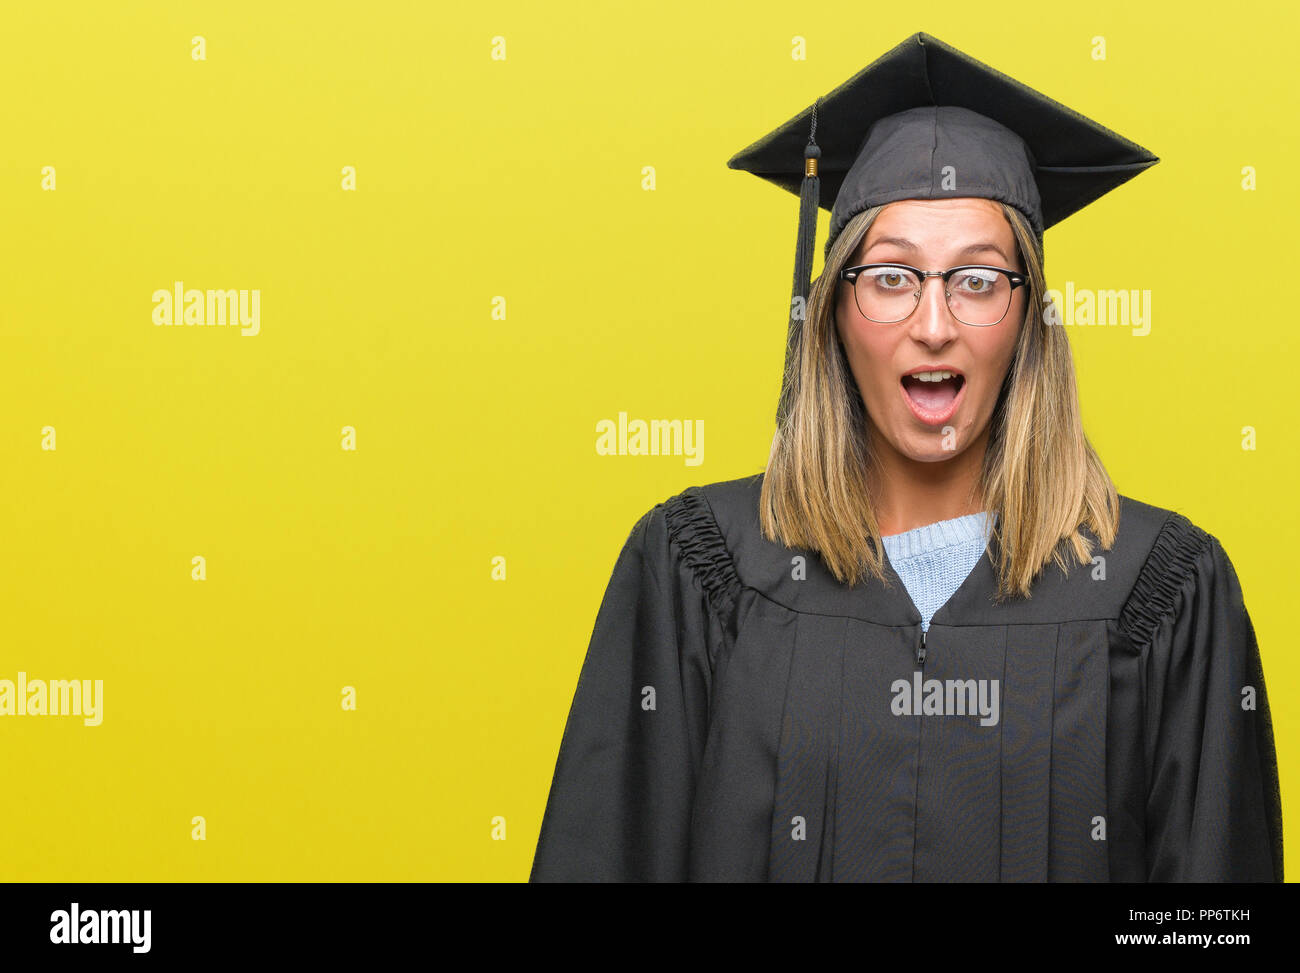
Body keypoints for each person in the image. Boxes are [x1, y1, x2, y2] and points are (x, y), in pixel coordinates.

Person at [529, 32, 1283, 882]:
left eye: (978, 278)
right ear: (832, 315)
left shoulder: (1162, 595)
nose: (934, 322)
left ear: (1032, 320)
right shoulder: (699, 579)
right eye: (890, 277)